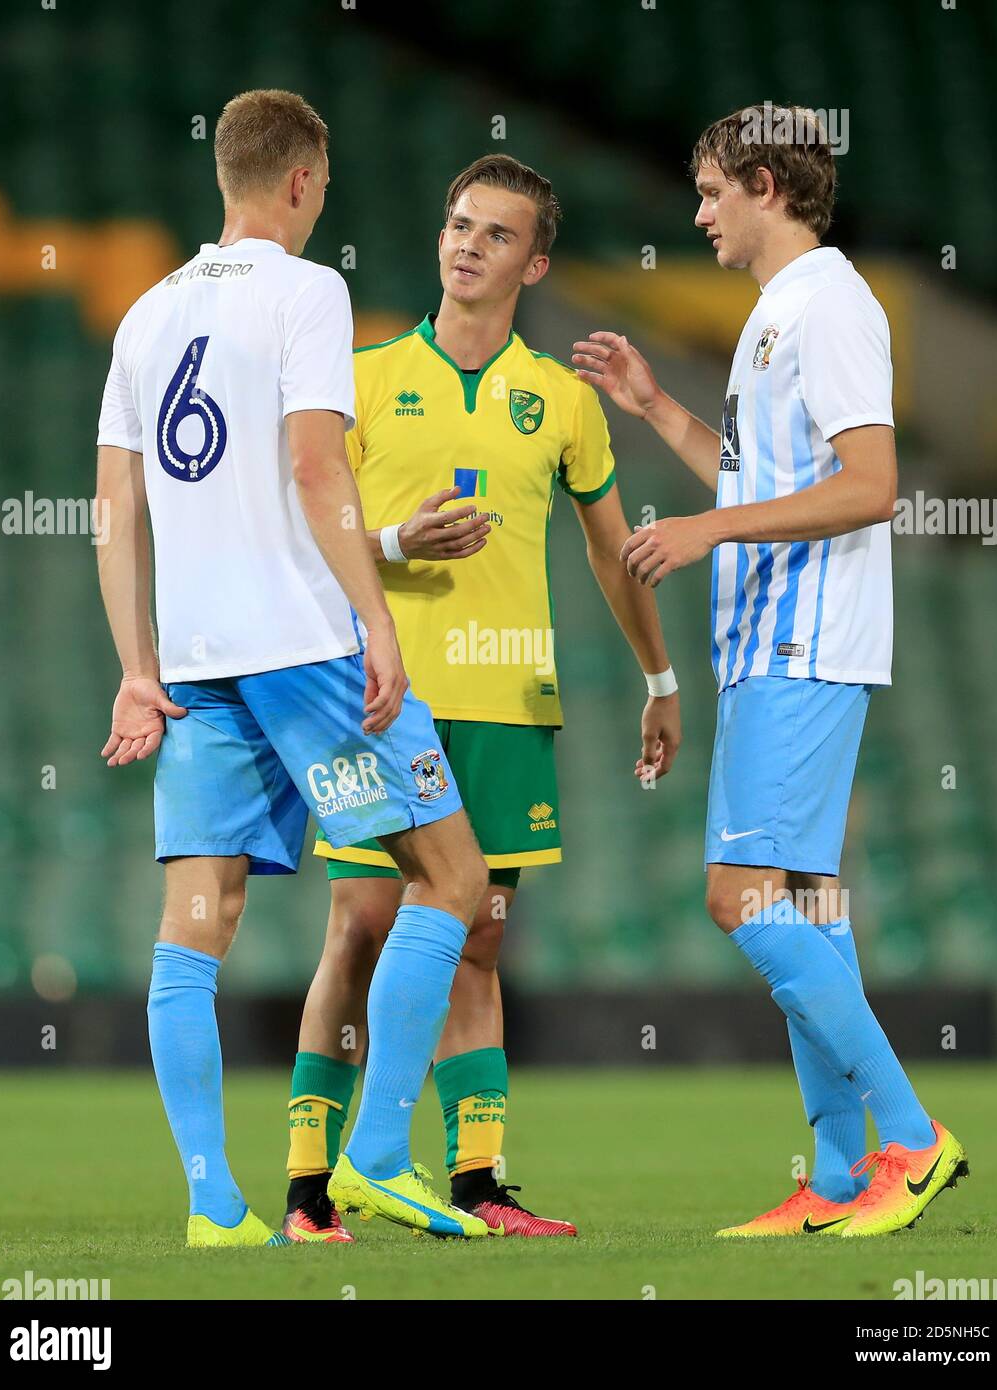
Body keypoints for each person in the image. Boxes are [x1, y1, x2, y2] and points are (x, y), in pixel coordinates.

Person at [95, 89, 491, 1246]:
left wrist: (135, 666)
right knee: (454, 879)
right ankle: (374, 1151)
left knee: (190, 932)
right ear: (304, 182)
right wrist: (375, 616)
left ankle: (214, 1202)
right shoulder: (310, 291)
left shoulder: (146, 311)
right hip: (307, 646)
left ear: (226, 176)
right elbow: (319, 468)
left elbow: (114, 509)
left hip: (199, 663)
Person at [572, 104, 967, 1238]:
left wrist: (705, 533)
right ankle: (841, 1178)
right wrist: (654, 408)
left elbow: (870, 484)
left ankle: (912, 1135)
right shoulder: (776, 316)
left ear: (763, 183)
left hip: (804, 639)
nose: (696, 214)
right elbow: (758, 474)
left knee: (737, 895)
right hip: (763, 643)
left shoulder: (831, 305)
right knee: (805, 906)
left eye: (708, 192)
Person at [281, 154, 680, 1243]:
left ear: (535, 261)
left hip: (507, 697)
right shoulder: (358, 380)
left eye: (495, 234)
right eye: (458, 223)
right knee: (360, 924)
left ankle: (479, 1183)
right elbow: (305, 550)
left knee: (480, 940)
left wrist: (658, 676)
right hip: (378, 695)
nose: (467, 243)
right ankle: (311, 1191)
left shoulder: (560, 400)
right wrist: (398, 544)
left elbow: (611, 555)